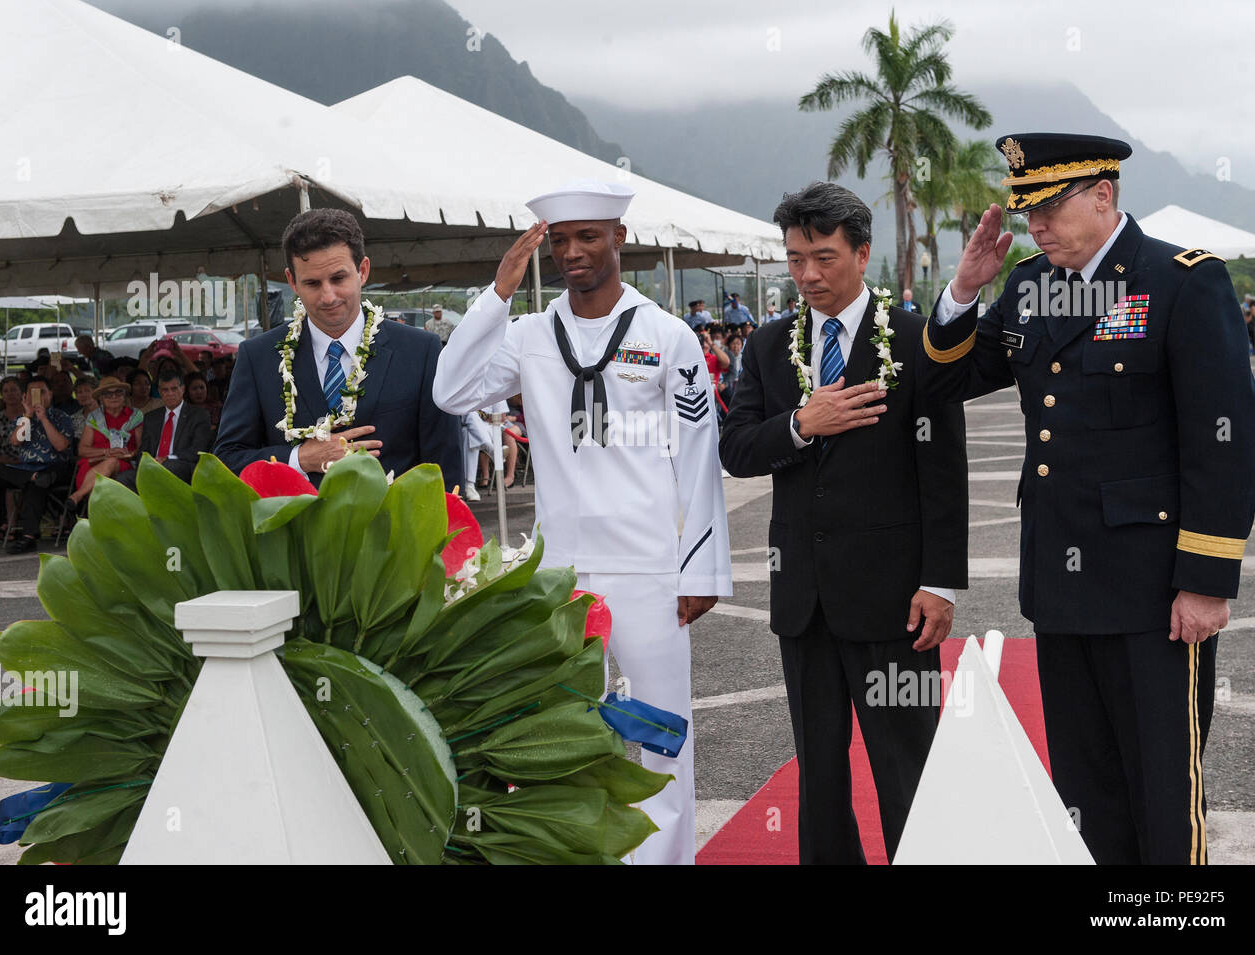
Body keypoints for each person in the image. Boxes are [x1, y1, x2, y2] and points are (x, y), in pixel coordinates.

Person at [920, 133, 1255, 865]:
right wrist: (964, 290)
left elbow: (1223, 441)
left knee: (1164, 795)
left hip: (1152, 592)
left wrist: (1205, 581)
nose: (1035, 225)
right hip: (1061, 586)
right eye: (1027, 210)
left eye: (1049, 206)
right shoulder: (1028, 284)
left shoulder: (1179, 279)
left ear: (1103, 195)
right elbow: (949, 379)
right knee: (1085, 792)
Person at [433, 180, 733, 865]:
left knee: (663, 734)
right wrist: (498, 292)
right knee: (566, 732)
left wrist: (702, 566)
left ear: (619, 239)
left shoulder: (669, 335)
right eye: (560, 241)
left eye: (588, 237)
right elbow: (449, 389)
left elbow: (697, 458)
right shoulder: (528, 336)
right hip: (561, 571)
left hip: (652, 568)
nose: (573, 252)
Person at [719, 181, 968, 865]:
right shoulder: (772, 347)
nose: (808, 275)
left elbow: (945, 471)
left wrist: (941, 581)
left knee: (907, 767)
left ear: (863, 254)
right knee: (819, 775)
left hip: (895, 603)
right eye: (796, 259)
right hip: (802, 600)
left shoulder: (916, 341)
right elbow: (735, 448)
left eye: (824, 257)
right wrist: (802, 423)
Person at [214, 208, 462, 488]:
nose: (328, 296)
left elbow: (445, 471)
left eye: (338, 278)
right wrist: (299, 458)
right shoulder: (258, 357)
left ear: (363, 270)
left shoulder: (420, 351)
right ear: (292, 281)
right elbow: (227, 461)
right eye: (312, 283)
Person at [0, 376, 76, 553]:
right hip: (28, 468)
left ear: (50, 394)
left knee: (37, 483)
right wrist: (28, 415)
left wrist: (43, 419)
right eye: (33, 393)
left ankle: (28, 538)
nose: (38, 396)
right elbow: (15, 441)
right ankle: (28, 535)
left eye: (42, 392)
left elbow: (60, 445)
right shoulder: (23, 418)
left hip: (55, 466)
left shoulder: (61, 416)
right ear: (25, 396)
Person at [113, 369, 212, 487]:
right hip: (153, 466)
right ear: (160, 391)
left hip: (181, 466)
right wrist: (147, 463)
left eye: (174, 389)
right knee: (123, 478)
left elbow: (198, 450)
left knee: (168, 467)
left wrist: (168, 458)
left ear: (183, 389)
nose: (170, 394)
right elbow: (144, 450)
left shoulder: (199, 415)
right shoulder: (151, 417)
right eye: (165, 390)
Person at [68, 376, 142, 512]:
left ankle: (78, 496)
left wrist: (129, 454)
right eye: (108, 394)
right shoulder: (94, 418)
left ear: (125, 395)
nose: (113, 397)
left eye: (118, 392)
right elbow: (82, 450)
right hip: (93, 463)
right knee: (108, 465)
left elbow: (141, 448)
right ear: (101, 398)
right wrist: (107, 452)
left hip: (124, 465)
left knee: (112, 462)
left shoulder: (135, 416)